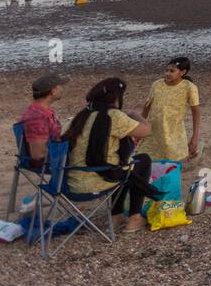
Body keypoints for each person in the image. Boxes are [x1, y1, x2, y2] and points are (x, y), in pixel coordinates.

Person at [62, 78, 157, 233]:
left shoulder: (79, 118)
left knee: (122, 164)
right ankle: (134, 219)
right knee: (141, 161)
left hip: (71, 183)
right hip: (98, 181)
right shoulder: (114, 116)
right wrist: (134, 114)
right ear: (115, 98)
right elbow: (146, 130)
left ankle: (116, 215)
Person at [139, 56, 201, 163]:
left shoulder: (189, 88)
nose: (167, 73)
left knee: (173, 161)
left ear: (182, 72)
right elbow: (147, 106)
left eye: (172, 71)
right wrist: (140, 126)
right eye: (166, 70)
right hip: (153, 130)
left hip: (173, 132)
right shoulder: (157, 84)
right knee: (147, 159)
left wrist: (194, 138)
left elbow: (196, 112)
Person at [19, 71, 69, 169]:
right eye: (60, 87)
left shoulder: (41, 111)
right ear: (53, 91)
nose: (62, 89)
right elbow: (38, 154)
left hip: (55, 155)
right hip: (50, 162)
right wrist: (66, 151)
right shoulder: (37, 117)